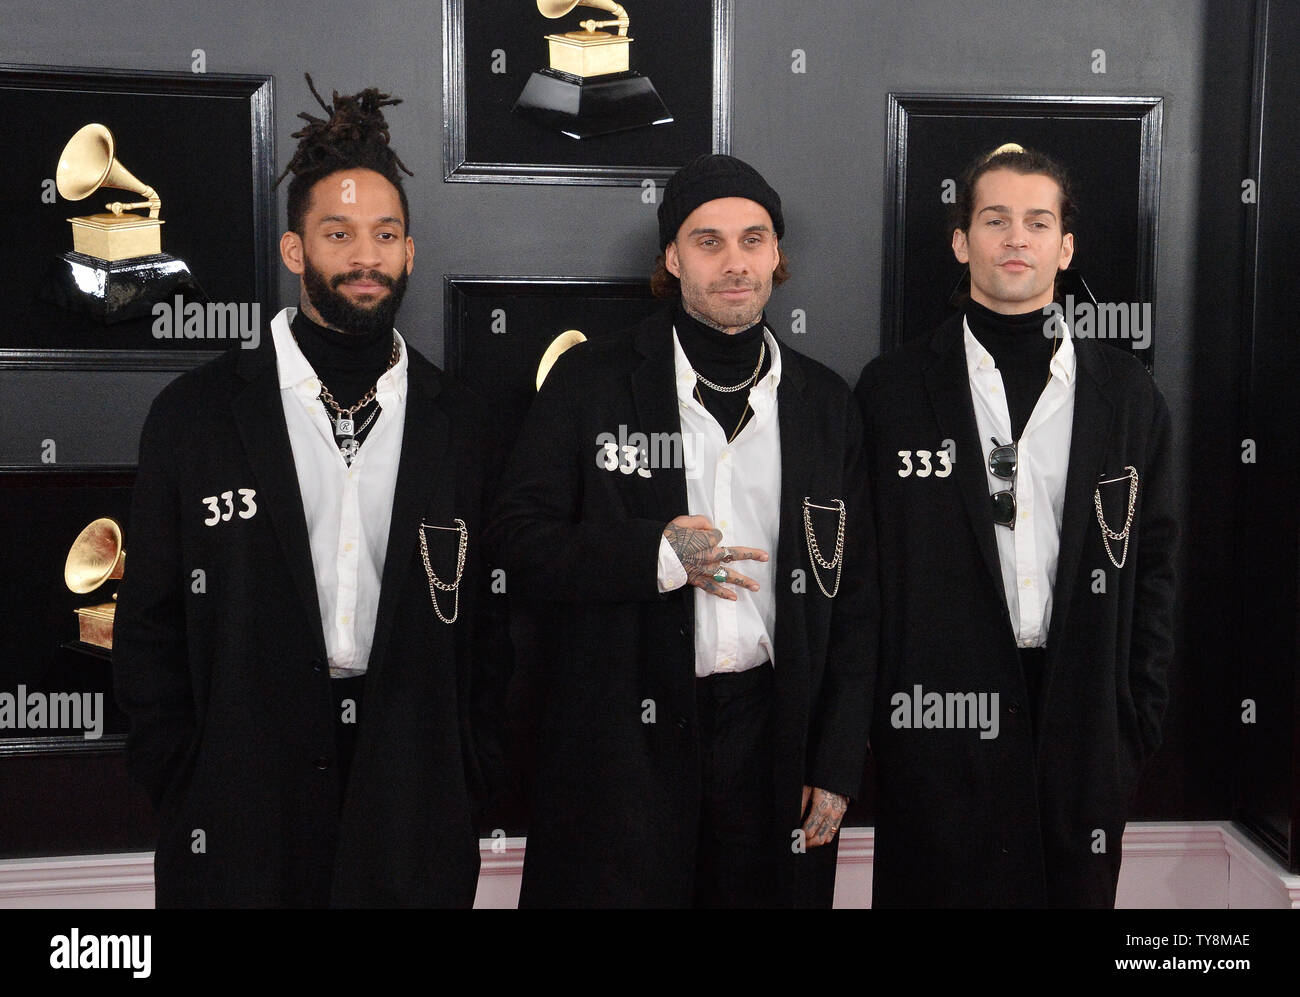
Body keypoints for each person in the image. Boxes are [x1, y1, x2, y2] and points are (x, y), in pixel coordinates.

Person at [113, 76, 506, 907]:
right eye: (338, 233)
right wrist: (185, 777)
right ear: (295, 251)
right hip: (240, 799)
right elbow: (147, 623)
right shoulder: (193, 416)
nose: (364, 256)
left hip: (414, 801)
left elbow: (495, 624)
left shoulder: (463, 421)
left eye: (385, 234)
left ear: (407, 250)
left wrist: (469, 771)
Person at [487, 153, 876, 907]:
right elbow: (516, 539)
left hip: (773, 735)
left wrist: (835, 759)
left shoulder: (827, 404)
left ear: (777, 255)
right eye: (709, 241)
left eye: (754, 239)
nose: (736, 262)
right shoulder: (590, 383)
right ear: (672, 256)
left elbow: (856, 596)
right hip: (621, 734)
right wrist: (656, 554)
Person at [854, 144, 1177, 907]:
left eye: (1038, 222)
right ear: (962, 241)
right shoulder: (891, 390)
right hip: (938, 721)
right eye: (995, 219)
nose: (1016, 238)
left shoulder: (1128, 395)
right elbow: (867, 577)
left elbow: (1156, 566)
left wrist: (1133, 721)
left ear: (1065, 248)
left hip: (1082, 717)